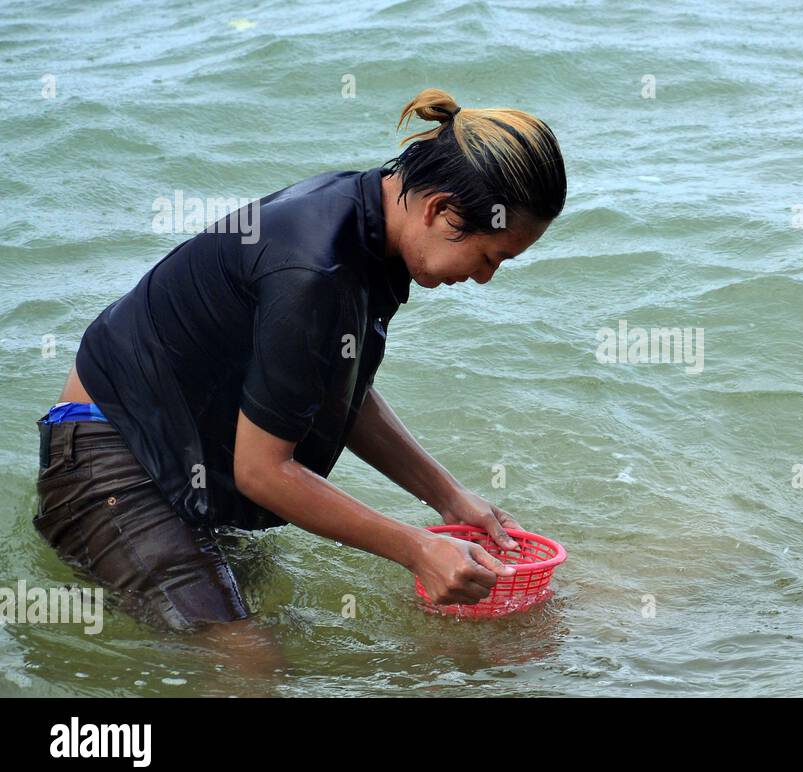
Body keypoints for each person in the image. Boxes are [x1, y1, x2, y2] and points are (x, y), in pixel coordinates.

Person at [32, 88, 567, 658]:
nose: (485, 278)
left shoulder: (368, 216)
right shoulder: (314, 270)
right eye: (492, 257)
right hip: (108, 456)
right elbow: (263, 472)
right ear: (439, 210)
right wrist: (416, 549)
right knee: (250, 655)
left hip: (171, 443)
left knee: (273, 624)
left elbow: (339, 385)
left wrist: (450, 498)